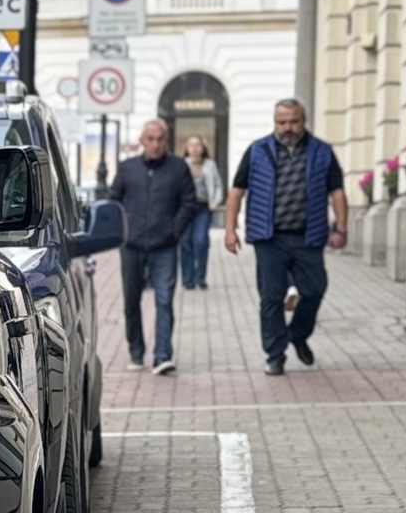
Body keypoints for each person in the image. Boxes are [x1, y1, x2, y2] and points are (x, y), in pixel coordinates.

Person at [225, 98, 348, 375]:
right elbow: (236, 191)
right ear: (274, 122)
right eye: (282, 122)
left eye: (293, 121)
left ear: (303, 121)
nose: (288, 128)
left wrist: (340, 228)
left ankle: (298, 334)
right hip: (270, 238)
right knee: (271, 297)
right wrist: (230, 230)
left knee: (315, 289)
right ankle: (275, 354)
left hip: (309, 236)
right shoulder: (257, 150)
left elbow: (337, 192)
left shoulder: (321, 152)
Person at [106, 117, 203, 375]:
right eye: (150, 139)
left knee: (164, 299)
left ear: (166, 141)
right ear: (141, 141)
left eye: (160, 139)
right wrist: (121, 230)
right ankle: (136, 352)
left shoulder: (178, 168)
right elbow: (113, 201)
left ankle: (162, 356)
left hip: (165, 246)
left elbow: (189, 203)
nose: (155, 144)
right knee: (131, 300)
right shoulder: (127, 168)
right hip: (131, 245)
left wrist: (174, 231)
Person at [179, 135, 219, 289]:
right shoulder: (181, 165)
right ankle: (187, 279)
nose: (195, 148)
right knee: (185, 242)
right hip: (185, 208)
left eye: (198, 145)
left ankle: (200, 277)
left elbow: (217, 185)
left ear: (203, 148)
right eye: (191, 145)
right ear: (187, 149)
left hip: (204, 207)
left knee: (200, 240)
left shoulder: (210, 165)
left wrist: (215, 200)